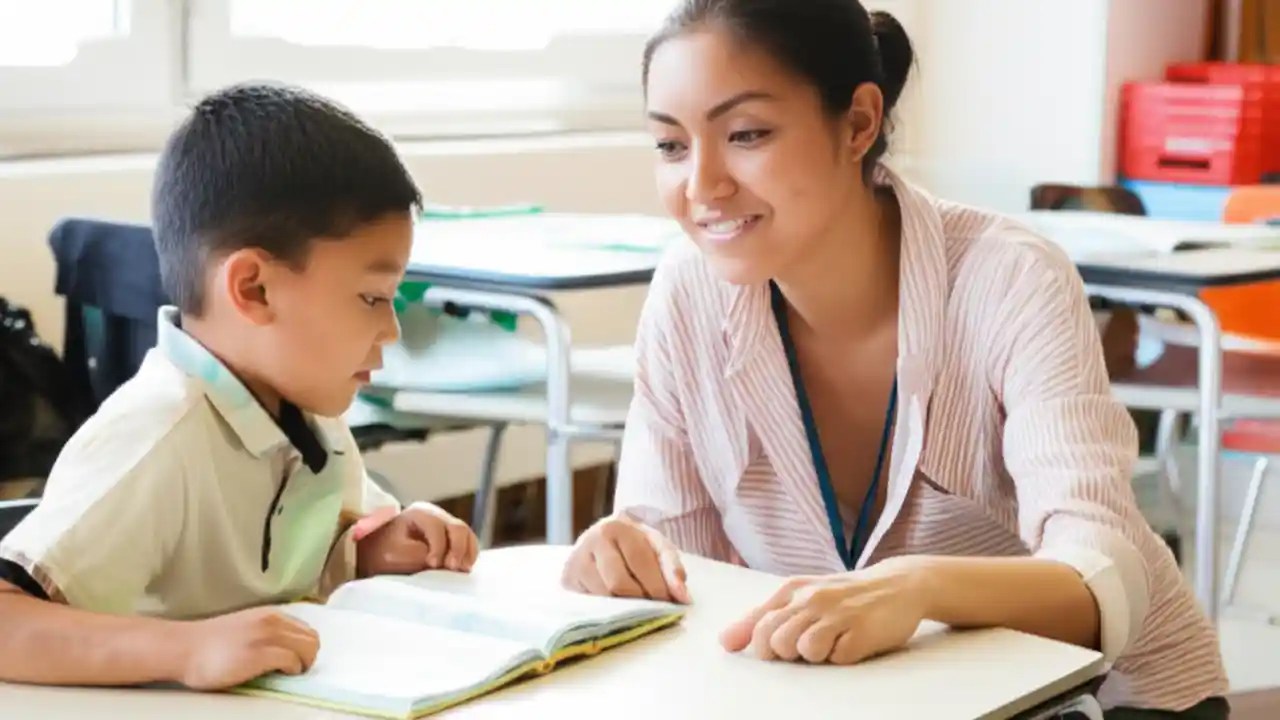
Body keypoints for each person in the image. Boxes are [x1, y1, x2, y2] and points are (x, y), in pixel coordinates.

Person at [561, 1, 1229, 716]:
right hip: (858, 699)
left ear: (858, 122)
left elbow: (1106, 573)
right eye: (670, 146)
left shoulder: (1008, 277)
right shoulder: (687, 291)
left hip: (1100, 699)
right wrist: (627, 561)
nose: (701, 187)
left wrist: (923, 589)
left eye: (747, 134)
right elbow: (686, 581)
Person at [0, 83, 479, 691]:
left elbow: (294, 564)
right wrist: (187, 649)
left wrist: (375, 548)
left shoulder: (306, 411)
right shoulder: (158, 435)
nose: (389, 329)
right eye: (371, 298)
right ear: (253, 288)